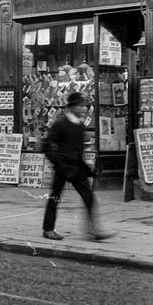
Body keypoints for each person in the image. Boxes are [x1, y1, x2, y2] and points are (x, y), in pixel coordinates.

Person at [41, 92, 113, 241]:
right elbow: (46, 146)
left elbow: (78, 152)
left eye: (82, 106)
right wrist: (59, 163)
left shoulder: (80, 126)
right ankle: (48, 229)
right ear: (71, 107)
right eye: (78, 106)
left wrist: (87, 171)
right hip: (62, 168)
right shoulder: (61, 123)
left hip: (76, 168)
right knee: (55, 197)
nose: (81, 109)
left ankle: (93, 231)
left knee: (89, 196)